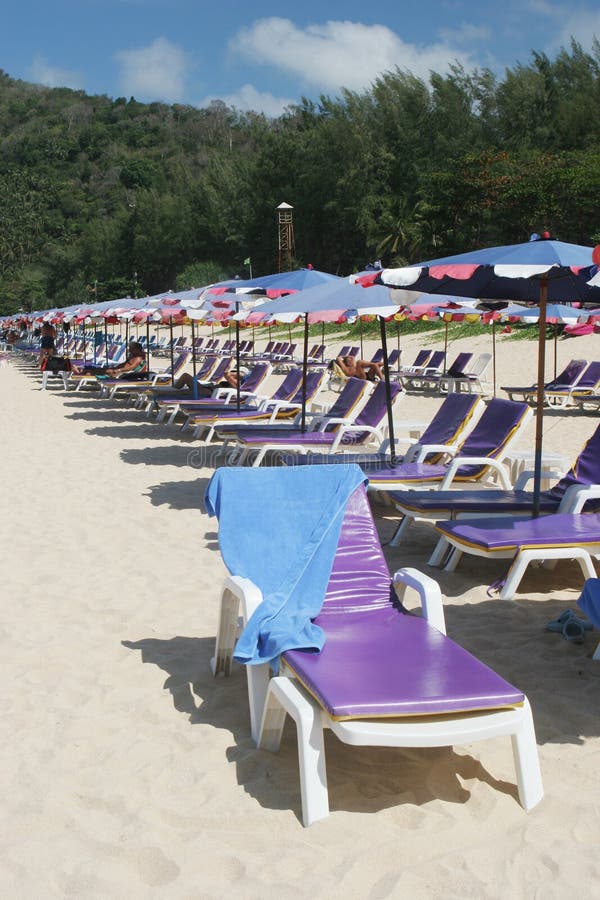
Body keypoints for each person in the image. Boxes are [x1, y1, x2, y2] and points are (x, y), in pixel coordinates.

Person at [71, 341, 148, 379]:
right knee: (98, 370)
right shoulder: (132, 356)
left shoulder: (138, 358)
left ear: (137, 349)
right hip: (118, 370)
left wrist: (119, 370)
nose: (129, 350)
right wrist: (117, 367)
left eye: (131, 349)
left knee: (98, 371)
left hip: (121, 373)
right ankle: (81, 372)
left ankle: (80, 373)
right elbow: (124, 364)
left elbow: (131, 367)